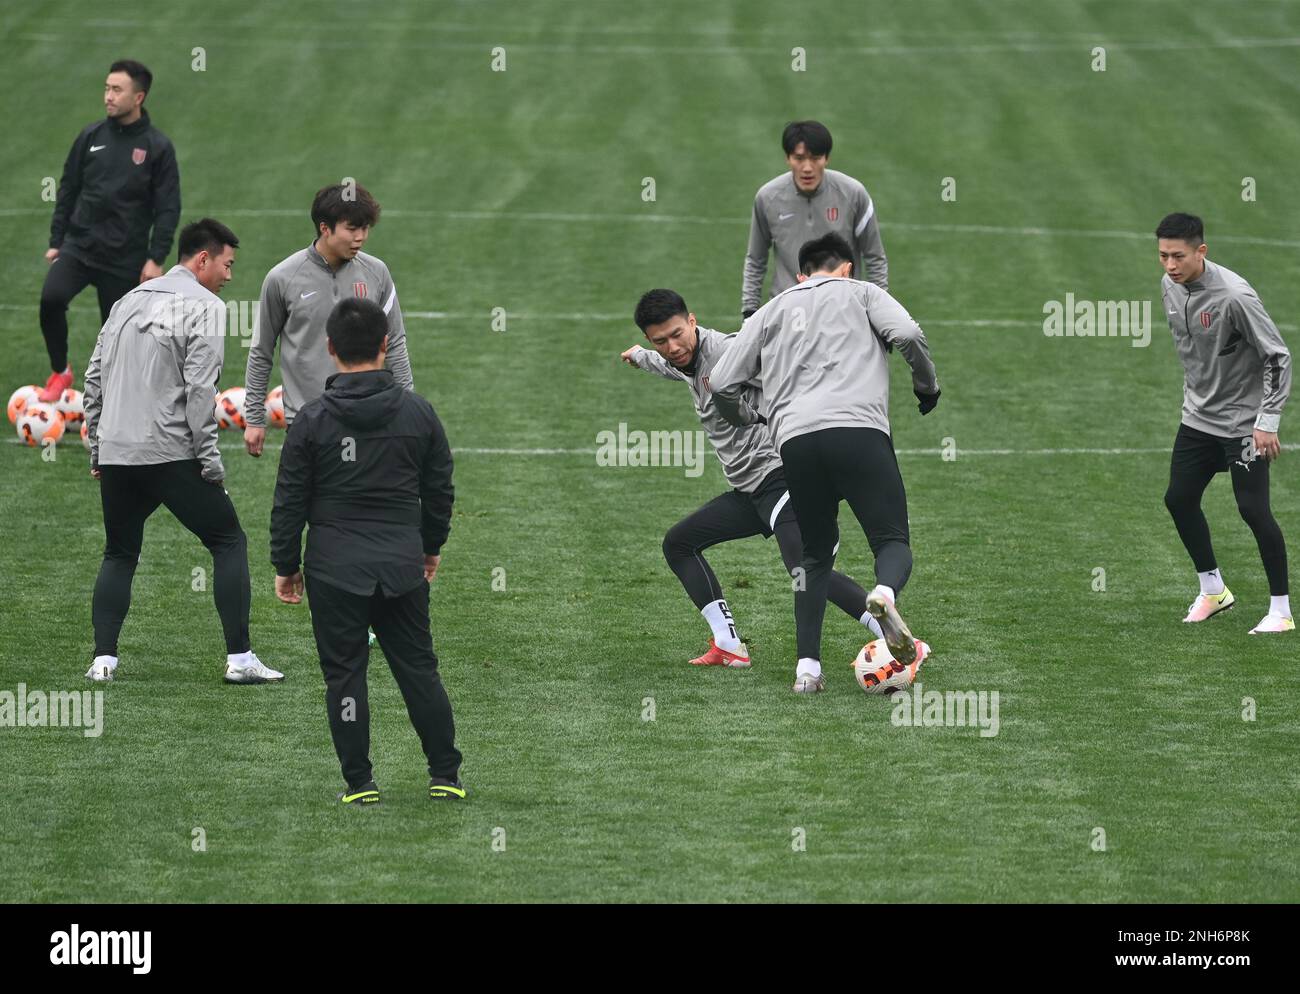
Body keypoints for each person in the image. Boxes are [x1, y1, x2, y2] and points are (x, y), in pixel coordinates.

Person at [709, 233, 940, 693]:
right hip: (859, 434)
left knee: (814, 557)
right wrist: (925, 385)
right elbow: (909, 334)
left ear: (800, 274)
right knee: (891, 540)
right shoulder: (863, 292)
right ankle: (884, 594)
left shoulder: (771, 309)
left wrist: (749, 416)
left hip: (795, 443)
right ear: (847, 268)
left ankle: (807, 672)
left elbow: (720, 381)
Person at [621, 289, 893, 678]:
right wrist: (641, 357)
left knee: (805, 569)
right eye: (660, 341)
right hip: (750, 492)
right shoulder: (680, 360)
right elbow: (671, 365)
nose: (673, 346)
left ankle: (896, 636)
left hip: (781, 478)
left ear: (693, 321)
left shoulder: (731, 352)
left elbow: (787, 368)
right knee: (679, 543)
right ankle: (729, 645)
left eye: (678, 334)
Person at [270, 297, 462, 804]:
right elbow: (440, 489)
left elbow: (289, 498)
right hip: (401, 563)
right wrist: (430, 547)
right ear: (384, 346)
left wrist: (286, 565)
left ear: (330, 348)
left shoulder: (311, 421)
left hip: (334, 568)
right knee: (418, 669)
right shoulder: (419, 413)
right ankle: (445, 775)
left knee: (345, 676)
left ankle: (360, 783)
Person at [83, 218, 280, 684]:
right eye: (228, 265)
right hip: (169, 452)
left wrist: (98, 446)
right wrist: (210, 463)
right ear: (203, 259)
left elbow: (94, 379)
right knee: (228, 540)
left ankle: (103, 660)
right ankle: (240, 659)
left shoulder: (127, 302)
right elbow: (199, 391)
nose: (230, 276)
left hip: (118, 451)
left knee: (119, 552)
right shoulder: (207, 307)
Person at [1157, 212, 1293, 634]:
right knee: (1178, 499)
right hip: (1198, 418)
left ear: (1202, 250)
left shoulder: (1235, 296)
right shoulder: (1169, 286)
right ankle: (1213, 590)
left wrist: (1266, 422)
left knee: (1253, 510)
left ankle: (1281, 611)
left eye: (1178, 256)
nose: (1170, 265)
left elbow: (1277, 356)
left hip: (1242, 426)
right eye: (1162, 256)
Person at [40, 60, 181, 402]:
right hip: (80, 246)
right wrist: (57, 241)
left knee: (117, 339)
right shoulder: (90, 137)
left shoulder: (157, 148)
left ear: (139, 97)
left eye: (117, 90)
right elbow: (69, 188)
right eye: (107, 88)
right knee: (51, 299)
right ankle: (61, 372)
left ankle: (109, 404)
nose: (108, 96)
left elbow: (168, 207)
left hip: (124, 257)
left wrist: (155, 257)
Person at [243, 182, 413, 455]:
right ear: (325, 228)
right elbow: (261, 350)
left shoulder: (377, 273)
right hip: (306, 423)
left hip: (367, 420)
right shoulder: (282, 278)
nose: (361, 237)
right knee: (304, 499)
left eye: (366, 228)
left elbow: (395, 342)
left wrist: (408, 407)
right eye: (352, 228)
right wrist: (253, 418)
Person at [741, 120, 887, 320]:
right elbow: (756, 260)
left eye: (815, 158)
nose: (807, 168)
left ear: (826, 158)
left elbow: (875, 258)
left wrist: (880, 313)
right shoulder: (767, 198)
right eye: (799, 158)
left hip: (843, 311)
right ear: (788, 158)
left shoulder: (853, 194)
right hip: (787, 312)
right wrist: (749, 311)